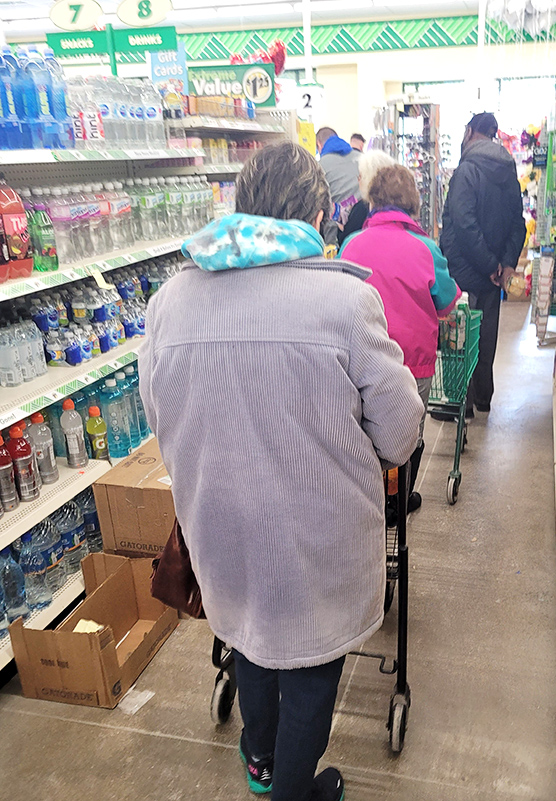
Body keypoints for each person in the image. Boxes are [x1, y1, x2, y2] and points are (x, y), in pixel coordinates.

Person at [139, 142, 423, 801]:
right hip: (314, 530)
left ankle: (260, 761)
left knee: (249, 637)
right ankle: (293, 790)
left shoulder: (171, 302)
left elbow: (161, 413)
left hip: (221, 524)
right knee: (312, 663)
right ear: (322, 215)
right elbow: (402, 426)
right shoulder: (344, 303)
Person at [340, 164, 461, 517]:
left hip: (357, 358)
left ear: (373, 200)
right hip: (413, 361)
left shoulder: (351, 244)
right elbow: (447, 301)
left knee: (361, 430)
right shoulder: (426, 248)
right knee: (407, 431)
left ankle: (366, 501)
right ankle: (399, 500)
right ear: (413, 203)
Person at [440, 112, 526, 418]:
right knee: (486, 334)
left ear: (469, 132)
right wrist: (505, 265)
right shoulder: (508, 171)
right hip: (494, 277)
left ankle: (460, 403)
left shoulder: (466, 172)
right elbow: (518, 224)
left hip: (466, 270)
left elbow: (464, 224)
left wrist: (489, 264)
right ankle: (483, 398)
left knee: (460, 335)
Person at [338, 149, 394, 246]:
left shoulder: (362, 208)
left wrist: (341, 227)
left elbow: (347, 243)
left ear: (367, 178)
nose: (358, 180)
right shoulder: (399, 205)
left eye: (360, 176)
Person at [316, 126, 361, 208]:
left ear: (319, 144)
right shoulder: (362, 158)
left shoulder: (319, 166)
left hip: (336, 218)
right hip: (366, 217)